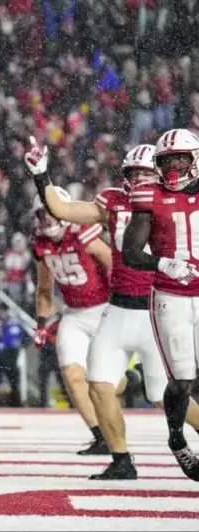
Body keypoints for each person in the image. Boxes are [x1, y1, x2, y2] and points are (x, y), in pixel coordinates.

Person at [29, 139, 199, 478]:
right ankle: (121, 459)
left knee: (165, 392)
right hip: (118, 308)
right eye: (132, 174)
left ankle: (180, 437)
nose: (138, 181)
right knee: (98, 384)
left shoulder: (174, 200)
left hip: (157, 305)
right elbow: (62, 210)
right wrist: (41, 175)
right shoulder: (113, 201)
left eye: (145, 173)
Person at [122, 128, 199, 481]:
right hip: (171, 296)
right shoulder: (148, 196)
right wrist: (162, 262)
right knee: (182, 381)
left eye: (181, 159)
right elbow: (131, 253)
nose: (174, 167)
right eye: (168, 161)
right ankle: (177, 440)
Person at [28, 181, 114, 456]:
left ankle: (128, 381)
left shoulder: (82, 232)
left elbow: (114, 263)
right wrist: (42, 323)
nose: (46, 218)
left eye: (50, 212)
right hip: (74, 314)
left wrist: (124, 304)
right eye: (41, 214)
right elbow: (44, 290)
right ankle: (99, 435)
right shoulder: (40, 244)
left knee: (105, 381)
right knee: (71, 374)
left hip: (104, 310)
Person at [0, 303, 24, 407]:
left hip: (11, 356)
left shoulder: (15, 323)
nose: (2, 313)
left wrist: (18, 347)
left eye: (4, 310)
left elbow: (25, 338)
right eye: (0, 311)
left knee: (14, 381)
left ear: (7, 311)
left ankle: (16, 403)